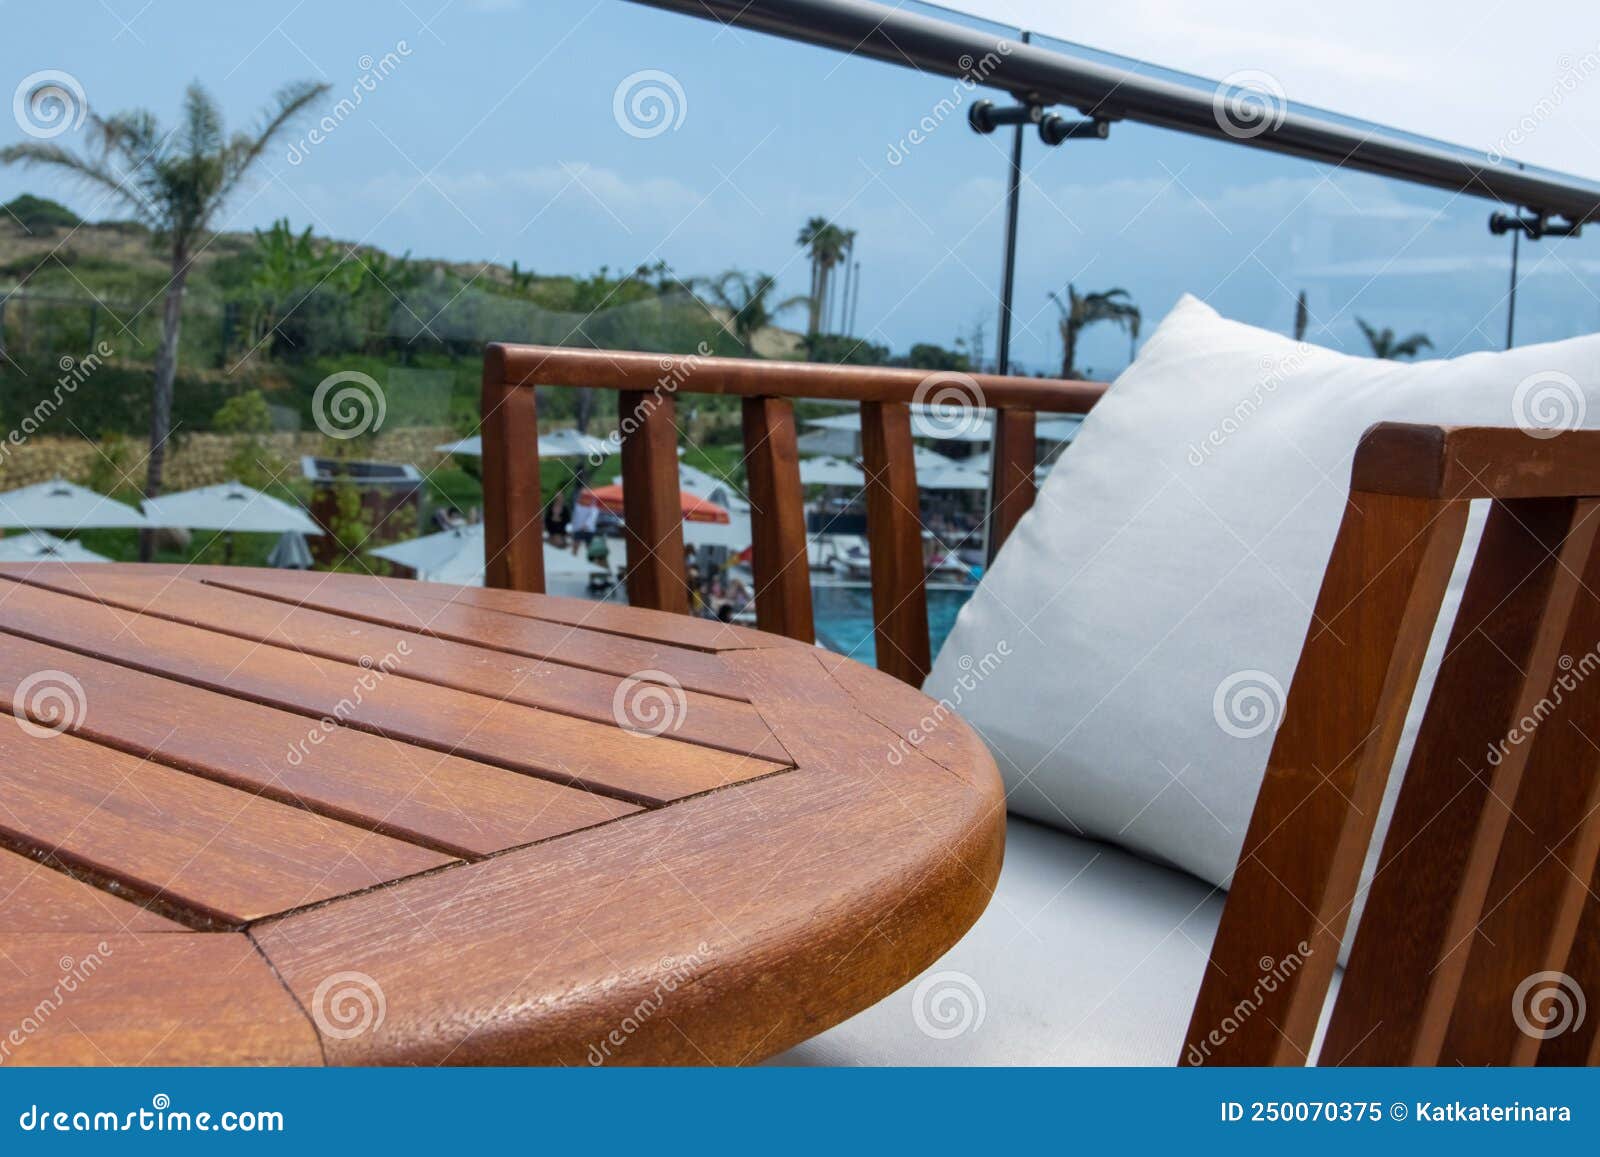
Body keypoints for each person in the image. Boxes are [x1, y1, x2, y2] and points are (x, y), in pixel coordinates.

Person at [569, 488, 599, 554]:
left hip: (589, 529)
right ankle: (573, 560)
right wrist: (573, 529)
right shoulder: (578, 504)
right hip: (578, 528)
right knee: (575, 546)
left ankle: (590, 562)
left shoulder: (593, 503)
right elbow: (575, 517)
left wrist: (586, 524)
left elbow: (593, 515)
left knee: (589, 548)